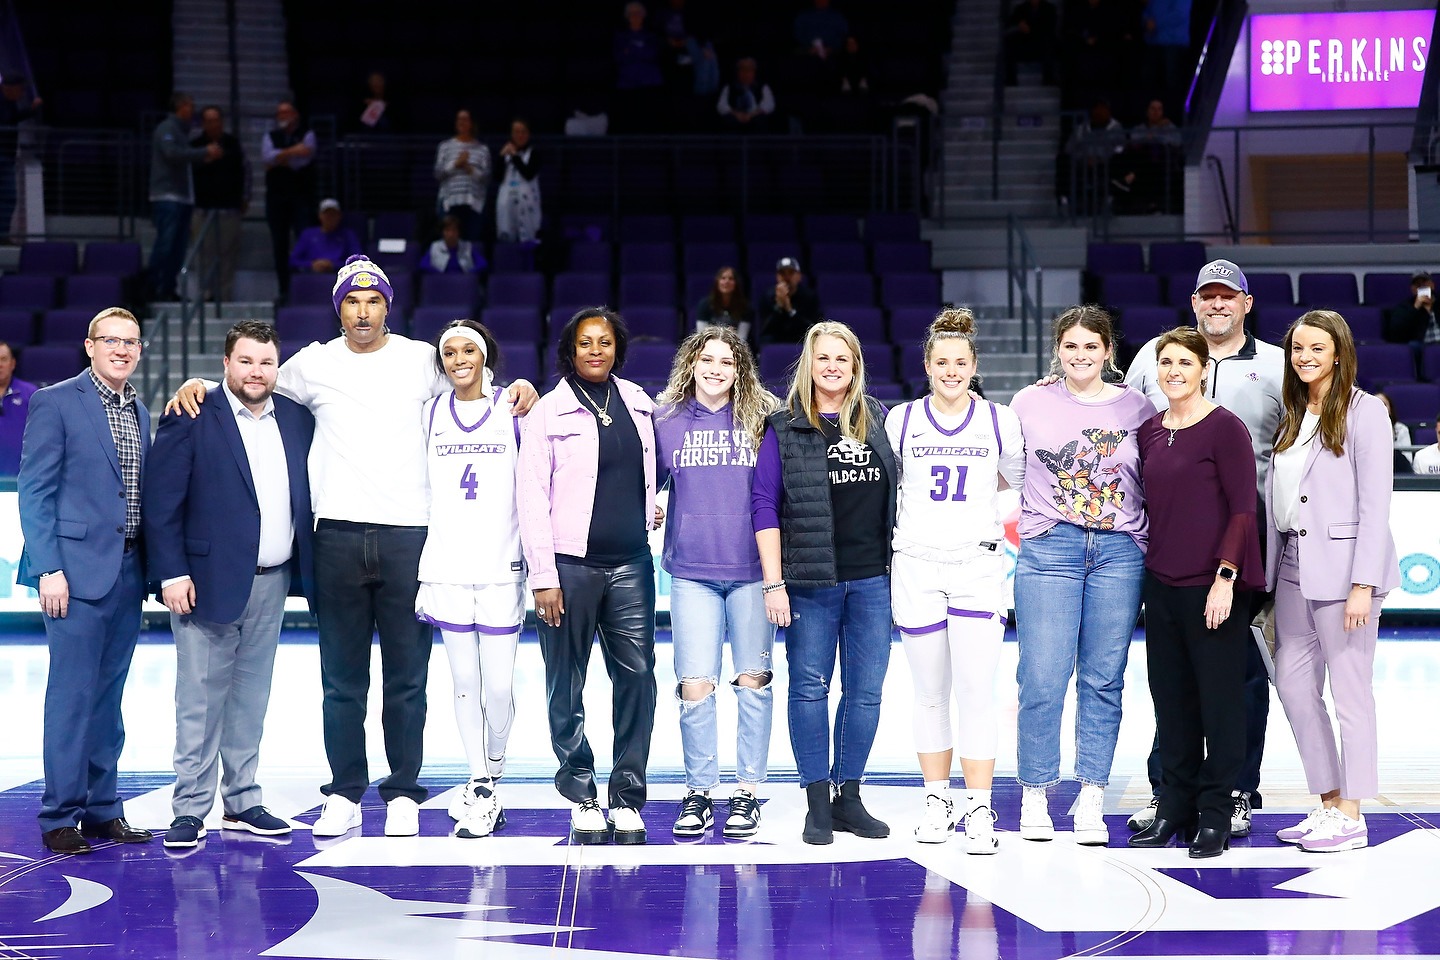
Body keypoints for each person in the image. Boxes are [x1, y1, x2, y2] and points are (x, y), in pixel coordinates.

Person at [168, 255, 539, 839]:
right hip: (335, 536)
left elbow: (475, 384)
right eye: (351, 302)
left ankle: (403, 790)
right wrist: (203, 386)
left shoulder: (422, 359)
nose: (363, 312)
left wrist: (516, 385)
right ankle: (344, 789)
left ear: (388, 306)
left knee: (407, 677)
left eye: (373, 302)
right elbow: (254, 380)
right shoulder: (313, 363)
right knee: (341, 680)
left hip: (408, 536)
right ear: (337, 306)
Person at [1124, 258, 1285, 840]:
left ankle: (1236, 792)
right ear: (1193, 303)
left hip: (1242, 545)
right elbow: (1119, 410)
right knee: (1173, 686)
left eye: (1228, 297)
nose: (1217, 305)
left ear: (1246, 303)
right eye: (1207, 296)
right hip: (1169, 555)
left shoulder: (1274, 365)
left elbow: (1301, 433)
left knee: (1237, 679)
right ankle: (1172, 793)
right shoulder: (1153, 357)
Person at [142, 321, 315, 849]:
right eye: (246, 361)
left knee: (250, 697)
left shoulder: (297, 419)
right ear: (226, 364)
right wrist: (171, 572)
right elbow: (161, 501)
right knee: (199, 697)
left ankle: (242, 800)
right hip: (205, 580)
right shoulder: (192, 414)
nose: (256, 372)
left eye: (265, 362)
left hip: (272, 580)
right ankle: (190, 807)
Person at [1009, 305, 1156, 846]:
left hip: (1119, 553)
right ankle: (1036, 791)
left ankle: (1091, 792)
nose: (1080, 355)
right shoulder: (1029, 401)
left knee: (1103, 678)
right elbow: (1010, 466)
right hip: (1052, 550)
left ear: (1108, 351)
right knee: (1042, 677)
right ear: (1058, 350)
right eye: (1070, 346)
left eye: (1090, 346)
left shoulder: (1138, 408)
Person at [752, 320, 898, 845]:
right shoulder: (784, 426)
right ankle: (817, 801)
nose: (832, 367)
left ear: (856, 365)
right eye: (823, 358)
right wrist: (775, 584)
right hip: (812, 583)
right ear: (808, 365)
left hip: (872, 582)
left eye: (843, 358)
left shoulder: (878, 420)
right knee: (810, 690)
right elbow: (764, 504)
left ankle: (849, 797)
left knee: (865, 693)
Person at [517, 308, 659, 845]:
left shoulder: (640, 404)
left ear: (616, 348)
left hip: (631, 564)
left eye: (604, 342)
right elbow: (531, 498)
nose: (595, 351)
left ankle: (626, 795)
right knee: (565, 681)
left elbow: (652, 470)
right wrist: (543, 575)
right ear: (570, 352)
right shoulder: (547, 414)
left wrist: (652, 507)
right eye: (584, 344)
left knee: (638, 678)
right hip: (569, 570)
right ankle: (580, 791)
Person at [887, 308, 1024, 853]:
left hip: (976, 565)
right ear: (926, 365)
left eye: (960, 362)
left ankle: (981, 809)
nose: (950, 370)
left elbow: (1020, 480)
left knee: (976, 694)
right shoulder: (900, 420)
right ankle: (936, 801)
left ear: (974, 365)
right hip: (917, 564)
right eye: (941, 362)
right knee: (928, 695)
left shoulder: (999, 419)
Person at [18, 307, 153, 854]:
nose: (122, 349)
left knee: (108, 699)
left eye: (131, 342)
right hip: (72, 575)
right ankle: (59, 815)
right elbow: (35, 492)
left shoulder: (141, 409)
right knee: (72, 697)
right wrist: (49, 567)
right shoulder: (55, 402)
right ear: (89, 345)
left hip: (126, 571)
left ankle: (101, 809)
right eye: (111, 340)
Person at [1265, 310, 1399, 853]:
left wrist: (1364, 583)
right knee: (1295, 687)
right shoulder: (1294, 413)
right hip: (1293, 566)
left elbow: (1375, 502)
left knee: (1350, 695)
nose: (1305, 358)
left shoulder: (1365, 412)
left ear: (1338, 353)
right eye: (1298, 349)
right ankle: (1328, 802)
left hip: (1346, 573)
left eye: (1316, 349)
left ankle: (1354, 813)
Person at [653, 326, 779, 839]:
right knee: (695, 685)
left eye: (727, 362)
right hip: (691, 572)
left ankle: (747, 790)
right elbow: (645, 479)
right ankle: (699, 790)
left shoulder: (763, 418)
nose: (716, 369)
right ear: (691, 362)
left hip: (752, 572)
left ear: (739, 370)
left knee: (753, 681)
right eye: (707, 360)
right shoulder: (665, 418)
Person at [417, 320, 524, 840]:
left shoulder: (514, 408)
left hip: (502, 566)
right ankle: (479, 781)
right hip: (448, 567)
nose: (459, 358)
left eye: (468, 350)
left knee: (499, 686)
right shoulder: (430, 413)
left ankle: (495, 765)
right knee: (463, 681)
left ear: (486, 356)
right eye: (450, 352)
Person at [149, 92, 221, 300]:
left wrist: (202, 157)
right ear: (180, 107)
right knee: (166, 244)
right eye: (190, 106)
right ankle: (153, 285)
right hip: (167, 196)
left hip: (182, 197)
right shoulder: (167, 129)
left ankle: (168, 288)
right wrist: (203, 152)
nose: (192, 110)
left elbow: (182, 156)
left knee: (178, 248)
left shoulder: (182, 132)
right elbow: (172, 154)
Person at [190, 106, 249, 301]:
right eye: (208, 120)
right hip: (203, 210)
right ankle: (205, 294)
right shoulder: (195, 145)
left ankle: (223, 295)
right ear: (203, 123)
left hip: (228, 209)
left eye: (216, 120)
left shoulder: (232, 144)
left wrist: (245, 198)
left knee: (227, 256)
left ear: (222, 122)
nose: (212, 124)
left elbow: (244, 172)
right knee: (203, 255)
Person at [261, 101, 317, 300]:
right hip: (276, 198)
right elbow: (267, 158)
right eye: (279, 113)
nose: (282, 116)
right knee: (280, 244)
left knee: (305, 239)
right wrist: (293, 152)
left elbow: (306, 155)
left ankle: (307, 288)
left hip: (301, 196)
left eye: (286, 112)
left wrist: (281, 157)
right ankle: (284, 289)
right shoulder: (270, 136)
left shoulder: (307, 133)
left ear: (295, 114)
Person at [434, 109, 490, 243]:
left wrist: (469, 168)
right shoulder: (445, 147)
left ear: (471, 123)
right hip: (449, 203)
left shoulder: (482, 149)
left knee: (471, 244)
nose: (462, 122)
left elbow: (486, 178)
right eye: (459, 119)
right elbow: (438, 174)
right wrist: (456, 164)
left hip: (473, 204)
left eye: (465, 119)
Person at [0, 75, 41, 243]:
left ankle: (2, 235)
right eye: (21, 89)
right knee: (8, 197)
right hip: (1, 157)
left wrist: (31, 110)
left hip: (5, 157)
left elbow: (11, 118)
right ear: (11, 87)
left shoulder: (8, 103)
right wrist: (31, 111)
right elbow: (6, 120)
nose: (22, 93)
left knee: (8, 198)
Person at [495, 118, 542, 244]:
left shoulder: (534, 153)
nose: (520, 135)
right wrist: (501, 158)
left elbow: (529, 174)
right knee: (506, 239)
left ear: (528, 134)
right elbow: (497, 177)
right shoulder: (505, 153)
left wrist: (515, 156)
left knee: (527, 239)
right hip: (506, 202)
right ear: (511, 134)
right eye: (516, 132)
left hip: (527, 204)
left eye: (523, 132)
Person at [290, 198, 363, 275]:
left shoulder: (348, 235)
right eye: (326, 214)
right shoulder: (308, 234)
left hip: (339, 275)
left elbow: (357, 260)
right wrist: (311, 264)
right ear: (320, 216)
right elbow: (293, 260)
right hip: (312, 276)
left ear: (339, 216)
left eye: (333, 214)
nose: (330, 218)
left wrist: (333, 265)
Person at [760, 257, 821, 344]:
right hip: (775, 341)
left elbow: (812, 328)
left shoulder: (809, 297)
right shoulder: (767, 297)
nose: (787, 277)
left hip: (800, 340)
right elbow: (764, 330)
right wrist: (779, 307)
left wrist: (790, 310)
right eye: (783, 273)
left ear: (799, 276)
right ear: (777, 277)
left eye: (791, 273)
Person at [0, 340, 37, 476]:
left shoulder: (31, 393)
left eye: (3, 359)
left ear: (13, 364)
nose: (0, 365)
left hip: (22, 477)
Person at [1003, 0, 1059, 85]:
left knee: (1048, 42)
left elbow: (1049, 28)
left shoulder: (1049, 9)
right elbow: (1010, 22)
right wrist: (1019, 25)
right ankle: (1010, 79)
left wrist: (1030, 29)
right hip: (1026, 44)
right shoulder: (1021, 8)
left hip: (1042, 44)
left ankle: (1048, 79)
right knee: (1010, 41)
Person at [693, 266, 754, 342]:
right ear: (717, 282)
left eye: (731, 279)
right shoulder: (705, 305)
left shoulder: (745, 307)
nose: (727, 281)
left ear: (736, 283)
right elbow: (701, 335)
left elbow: (742, 338)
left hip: (735, 346)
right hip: (711, 345)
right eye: (723, 278)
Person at [716, 57, 777, 133]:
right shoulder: (729, 87)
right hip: (736, 117)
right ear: (738, 72)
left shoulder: (763, 87)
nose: (746, 73)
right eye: (743, 69)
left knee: (761, 121)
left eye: (749, 70)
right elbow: (721, 105)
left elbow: (769, 105)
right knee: (728, 121)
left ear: (754, 71)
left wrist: (751, 115)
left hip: (754, 117)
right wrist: (736, 114)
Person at [418, 215, 484, 275]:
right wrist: (439, 275)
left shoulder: (467, 246)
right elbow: (423, 265)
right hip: (441, 284)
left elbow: (482, 264)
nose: (451, 234)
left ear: (459, 232)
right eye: (447, 230)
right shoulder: (435, 247)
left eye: (454, 230)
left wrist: (468, 275)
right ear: (442, 232)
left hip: (464, 284)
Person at [1376, 390, 1414, 472]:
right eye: (1377, 405)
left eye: (1384, 404)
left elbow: (1408, 458)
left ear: (1390, 407)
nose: (1381, 408)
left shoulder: (1401, 429)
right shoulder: (1364, 429)